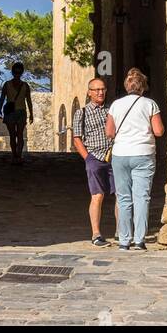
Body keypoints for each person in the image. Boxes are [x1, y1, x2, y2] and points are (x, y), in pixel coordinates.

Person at [104, 67, 164, 251]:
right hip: (143, 153)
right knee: (141, 197)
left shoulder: (116, 105)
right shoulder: (150, 104)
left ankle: (124, 240)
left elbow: (109, 132)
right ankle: (139, 240)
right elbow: (158, 131)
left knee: (123, 198)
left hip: (121, 154)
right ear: (143, 87)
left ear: (126, 86)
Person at [72, 76, 116, 246]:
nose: (100, 92)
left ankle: (121, 232)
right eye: (96, 90)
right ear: (89, 92)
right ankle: (96, 234)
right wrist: (87, 158)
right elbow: (77, 138)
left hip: (113, 157)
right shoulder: (81, 113)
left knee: (120, 195)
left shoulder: (112, 110)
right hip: (94, 158)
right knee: (97, 195)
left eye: (103, 89)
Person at [0, 62, 33, 164]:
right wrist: (31, 114)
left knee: (12, 135)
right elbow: (29, 101)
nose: (17, 74)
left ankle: (14, 156)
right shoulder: (25, 86)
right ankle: (19, 156)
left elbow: (2, 98)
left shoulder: (7, 85)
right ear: (22, 72)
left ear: (12, 72)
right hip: (21, 112)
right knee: (20, 135)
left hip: (10, 112)